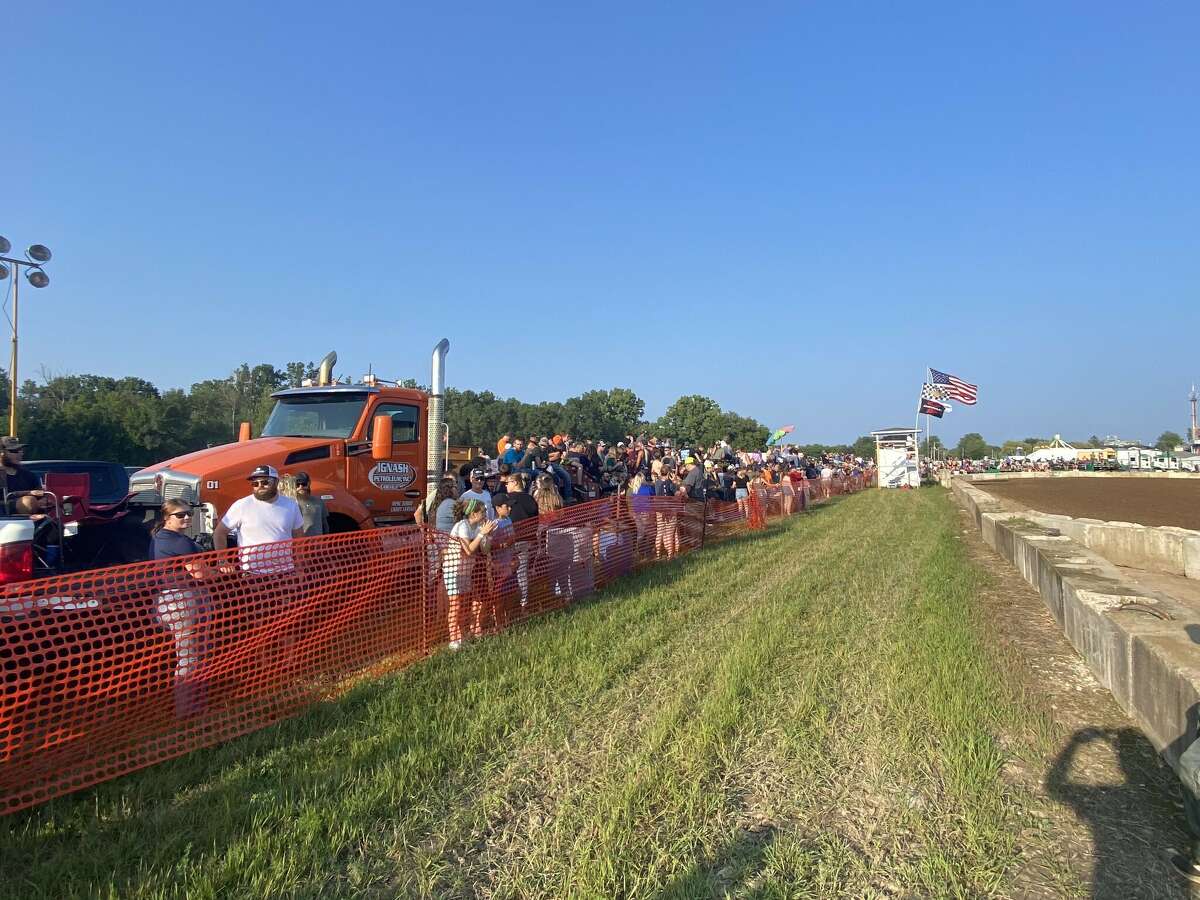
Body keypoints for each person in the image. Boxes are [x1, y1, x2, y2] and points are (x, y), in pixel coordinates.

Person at [151, 498, 217, 717]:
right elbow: (200, 573)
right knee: (191, 656)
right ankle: (189, 710)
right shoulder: (181, 542)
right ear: (167, 517)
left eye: (189, 513)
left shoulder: (157, 537)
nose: (187, 517)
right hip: (185, 600)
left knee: (187, 655)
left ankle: (192, 706)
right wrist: (222, 572)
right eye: (180, 515)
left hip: (165, 601)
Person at [213, 465, 305, 575]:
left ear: (276, 482)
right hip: (252, 574)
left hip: (285, 572)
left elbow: (298, 538)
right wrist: (223, 560)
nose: (260, 486)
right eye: (255, 484)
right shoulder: (242, 505)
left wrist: (299, 567)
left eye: (265, 482)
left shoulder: (291, 505)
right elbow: (219, 533)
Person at [443, 498, 497, 648]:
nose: (486, 514)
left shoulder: (479, 526)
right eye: (483, 511)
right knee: (456, 604)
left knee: (465, 604)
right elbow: (468, 550)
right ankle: (453, 640)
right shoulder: (462, 526)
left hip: (466, 571)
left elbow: (485, 550)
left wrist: (488, 535)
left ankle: (463, 634)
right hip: (453, 570)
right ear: (473, 514)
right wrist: (481, 535)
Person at [0, 436, 42, 506]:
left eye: (21, 450)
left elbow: (40, 495)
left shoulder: (29, 475)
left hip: (32, 516)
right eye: (14, 451)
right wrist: (27, 496)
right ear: (1, 453)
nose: (20, 454)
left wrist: (43, 501)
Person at [289, 472, 329, 536]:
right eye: (297, 484)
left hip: (318, 543)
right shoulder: (291, 503)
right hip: (300, 543)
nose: (301, 487)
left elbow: (325, 524)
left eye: (304, 484)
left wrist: (326, 540)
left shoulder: (319, 502)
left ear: (309, 483)